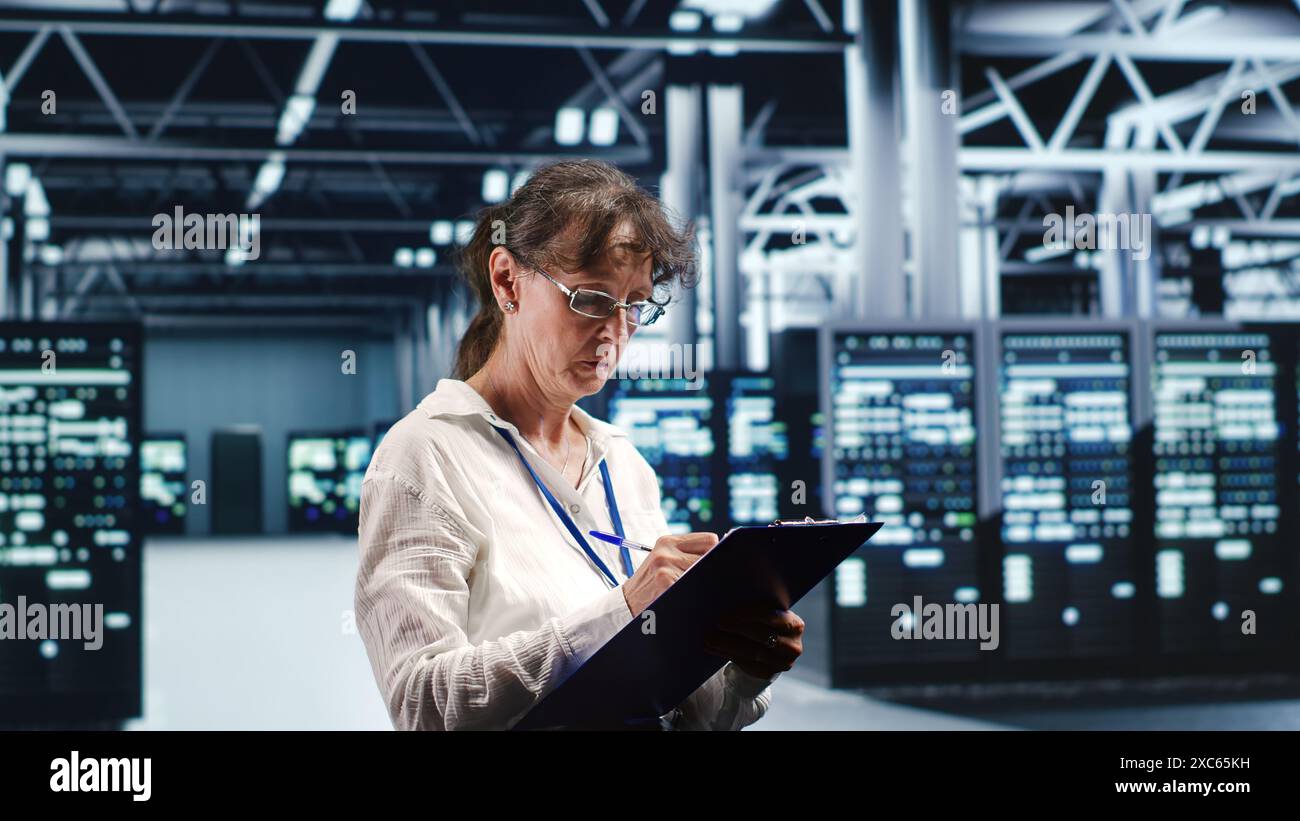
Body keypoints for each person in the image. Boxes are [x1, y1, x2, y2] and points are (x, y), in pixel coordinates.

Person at [355, 159, 804, 730]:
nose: (615, 333)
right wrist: (617, 616)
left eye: (635, 306)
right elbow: (424, 705)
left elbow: (689, 715)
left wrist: (744, 669)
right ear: (507, 281)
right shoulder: (423, 458)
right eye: (591, 299)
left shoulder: (623, 462)